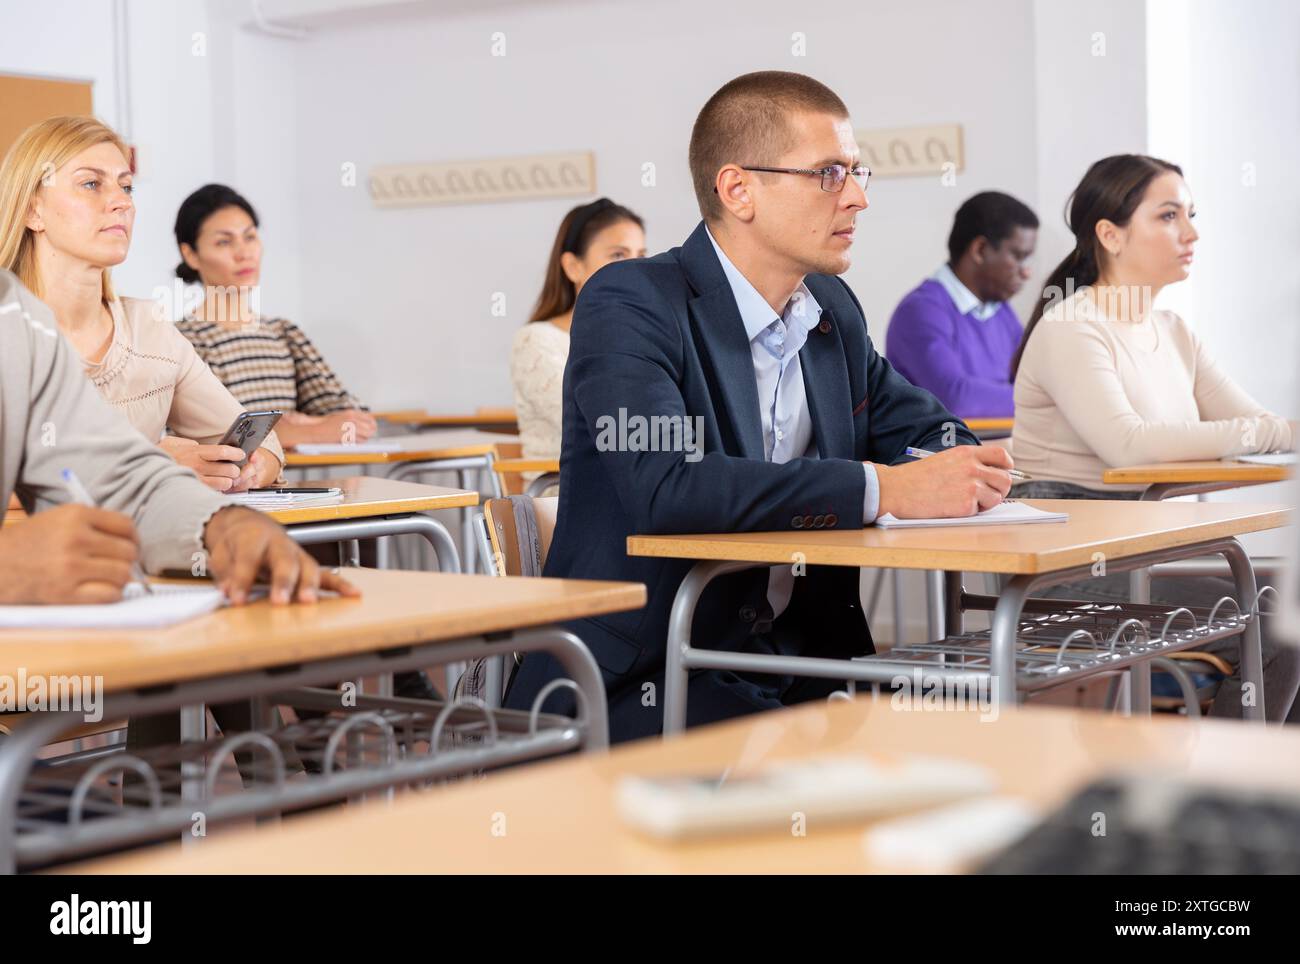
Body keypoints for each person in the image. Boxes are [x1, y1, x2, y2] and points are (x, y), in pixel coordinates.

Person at [504, 71, 1013, 742]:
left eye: (858, 172)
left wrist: (964, 462)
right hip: (648, 673)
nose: (858, 198)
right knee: (852, 780)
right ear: (738, 189)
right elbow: (669, 485)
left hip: (804, 661)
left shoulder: (831, 308)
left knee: (976, 735)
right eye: (830, 173)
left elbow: (915, 421)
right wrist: (888, 486)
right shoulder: (630, 302)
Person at [1009, 153, 1298, 723]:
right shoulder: (1072, 325)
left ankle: (1262, 783)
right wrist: (1265, 432)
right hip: (1072, 567)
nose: (1190, 233)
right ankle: (1224, 788)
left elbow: (1264, 429)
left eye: (1190, 215)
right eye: (1168, 216)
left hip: (1150, 547)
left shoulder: (1173, 331)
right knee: (1279, 627)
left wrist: (1273, 431)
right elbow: (1128, 445)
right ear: (1110, 235)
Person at [0, 267, 356, 607]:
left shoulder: (16, 316)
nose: (120, 205)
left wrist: (220, 522)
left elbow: (117, 479)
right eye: (90, 196)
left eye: (128, 197)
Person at [0, 116, 282, 492]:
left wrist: (246, 466)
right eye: (90, 184)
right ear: (33, 210)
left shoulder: (150, 329)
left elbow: (259, 440)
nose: (120, 202)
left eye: (127, 187)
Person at [173, 184, 377, 449]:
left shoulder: (283, 334)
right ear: (190, 254)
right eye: (224, 242)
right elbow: (218, 436)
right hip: (230, 488)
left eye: (250, 237)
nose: (244, 253)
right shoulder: (182, 341)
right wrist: (310, 429)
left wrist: (291, 427)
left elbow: (355, 420)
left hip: (301, 489)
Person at [511, 198, 645, 469]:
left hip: (636, 485)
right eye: (618, 255)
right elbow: (606, 430)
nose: (635, 268)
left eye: (641, 256)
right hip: (560, 496)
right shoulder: (536, 341)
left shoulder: (641, 337)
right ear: (573, 266)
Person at [885, 191, 1037, 418]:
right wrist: (1045, 400)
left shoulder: (1000, 310)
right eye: (1018, 256)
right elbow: (957, 399)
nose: (1026, 272)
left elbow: (1033, 378)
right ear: (980, 250)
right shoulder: (920, 311)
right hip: (940, 451)